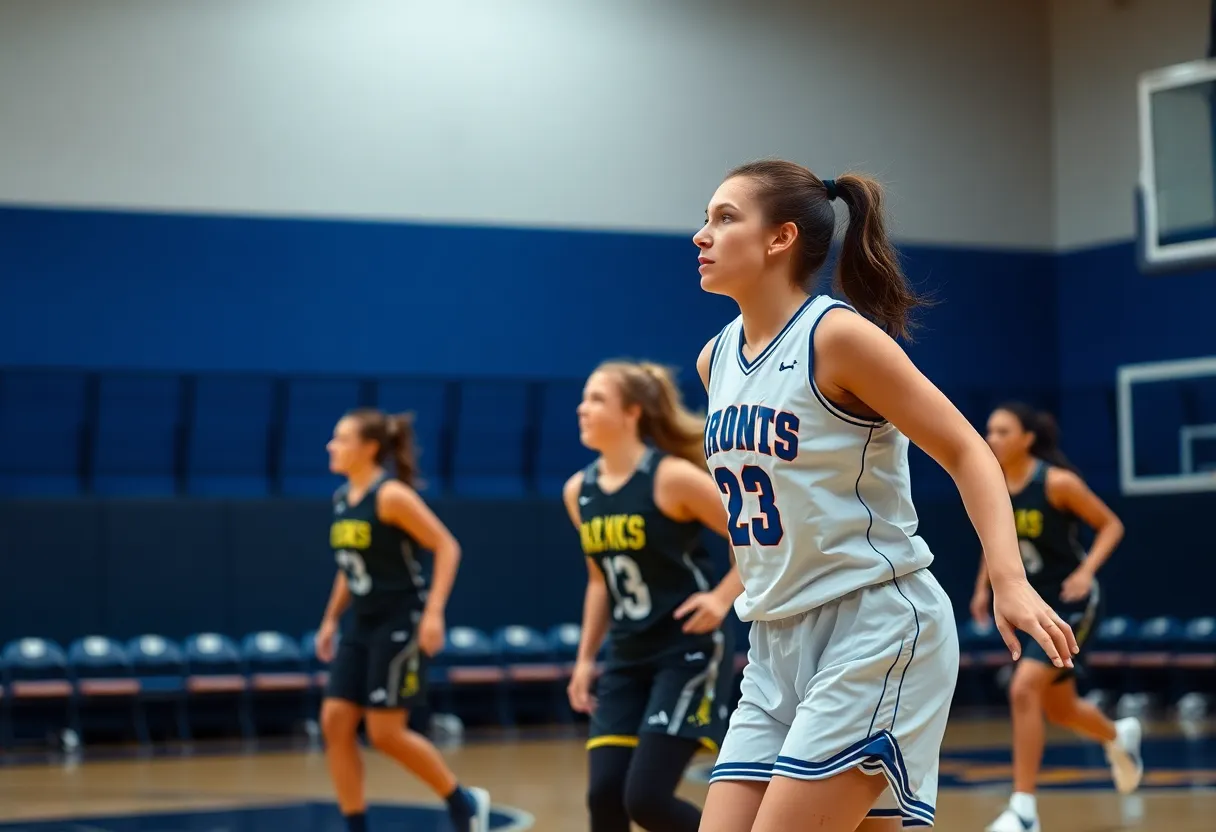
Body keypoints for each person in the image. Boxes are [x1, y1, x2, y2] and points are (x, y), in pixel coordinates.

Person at [691, 159, 1079, 832]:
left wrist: (1009, 579)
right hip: (774, 641)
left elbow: (967, 450)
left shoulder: (834, 336)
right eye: (706, 218)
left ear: (781, 238)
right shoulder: (714, 358)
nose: (702, 234)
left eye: (725, 218)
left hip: (873, 624)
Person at [562, 360, 744, 832]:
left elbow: (751, 532)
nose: (582, 408)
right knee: (604, 797)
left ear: (632, 413)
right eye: (584, 397)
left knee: (645, 798)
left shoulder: (671, 479)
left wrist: (722, 597)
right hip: (626, 653)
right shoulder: (578, 491)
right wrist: (585, 659)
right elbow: (599, 580)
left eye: (597, 398)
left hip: (686, 649)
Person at [315, 408, 490, 832]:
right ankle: (356, 825)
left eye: (341, 439)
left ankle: (462, 800)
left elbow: (448, 547)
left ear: (369, 447)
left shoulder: (391, 496)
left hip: (400, 619)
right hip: (362, 621)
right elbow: (349, 566)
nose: (330, 446)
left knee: (384, 733)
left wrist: (433, 614)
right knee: (335, 722)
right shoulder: (343, 499)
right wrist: (329, 620)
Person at [975, 402, 1141, 832]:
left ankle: (1024, 810)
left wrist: (1086, 573)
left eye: (1002, 430)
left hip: (1070, 600)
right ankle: (1118, 737)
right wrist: (983, 588)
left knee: (1023, 688)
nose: (991, 438)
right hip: (1028, 602)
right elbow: (996, 541)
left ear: (1027, 439)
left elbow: (1111, 525)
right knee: (1061, 709)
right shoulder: (991, 484)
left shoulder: (1057, 482)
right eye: (989, 430)